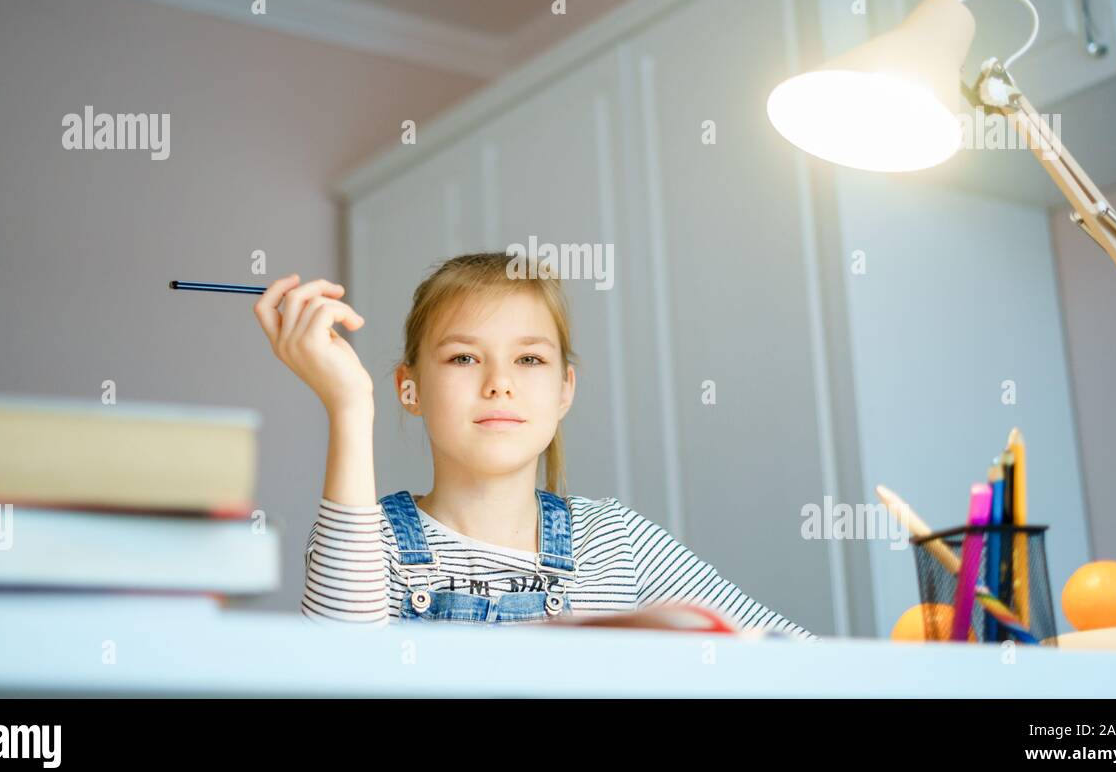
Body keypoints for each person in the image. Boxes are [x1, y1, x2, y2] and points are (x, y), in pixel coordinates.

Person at [253, 251, 817, 639]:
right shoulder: (366, 539)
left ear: (564, 389)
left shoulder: (616, 541)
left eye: (529, 359)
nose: (500, 381)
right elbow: (337, 675)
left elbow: (786, 655)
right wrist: (350, 404)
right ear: (410, 387)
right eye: (463, 357)